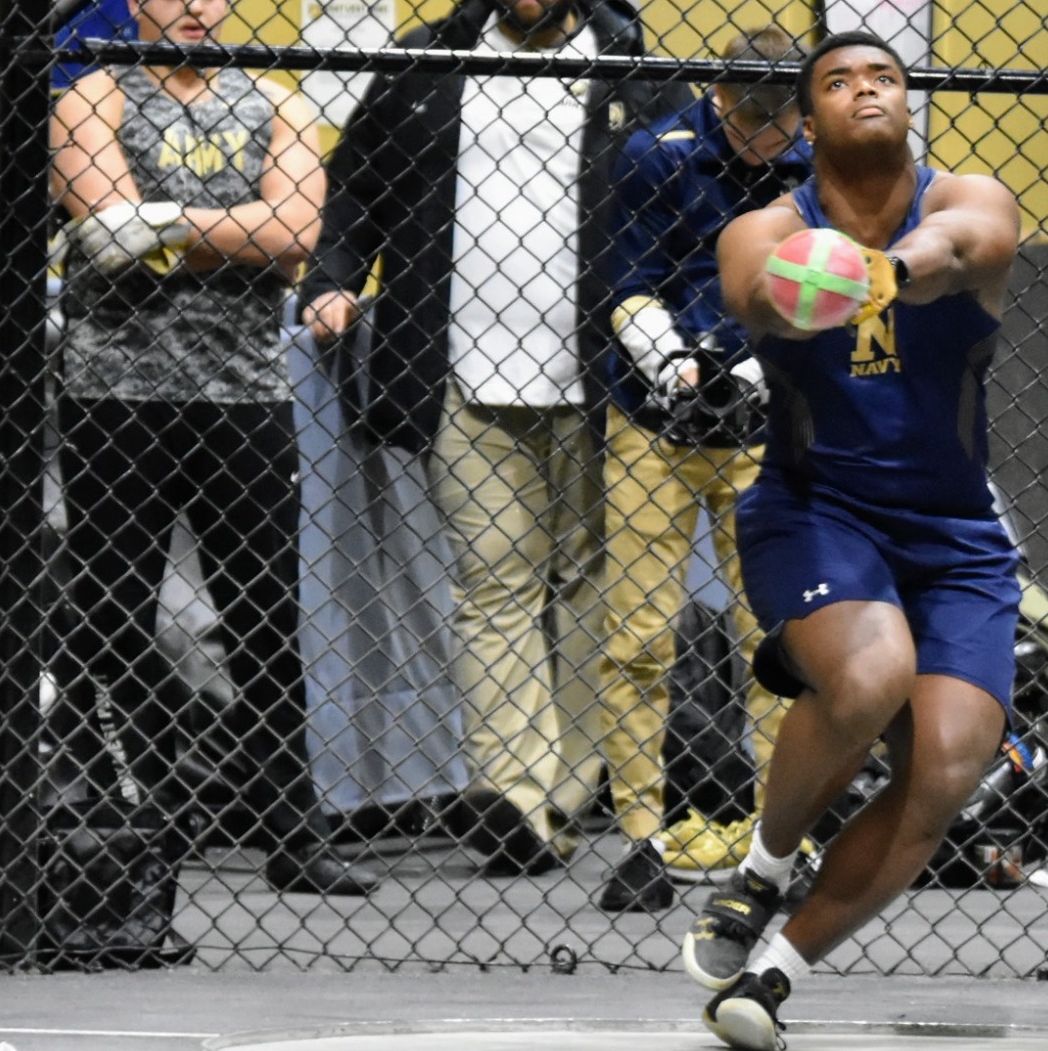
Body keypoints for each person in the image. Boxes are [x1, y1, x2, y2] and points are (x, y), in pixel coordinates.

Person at [676, 31, 1022, 1051]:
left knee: (950, 763)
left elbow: (965, 249)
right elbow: (752, 290)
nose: (864, 89)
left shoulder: (968, 200)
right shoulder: (767, 225)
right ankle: (761, 870)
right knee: (871, 679)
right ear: (804, 116)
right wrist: (805, 280)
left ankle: (771, 978)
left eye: (883, 77)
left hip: (956, 534)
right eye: (838, 81)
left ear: (907, 102)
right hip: (815, 507)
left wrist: (881, 270)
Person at [299, 0, 686, 873]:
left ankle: (565, 793)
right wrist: (333, 276)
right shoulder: (427, 63)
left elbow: (682, 204)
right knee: (492, 581)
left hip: (600, 374)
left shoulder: (636, 71)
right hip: (458, 368)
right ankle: (516, 801)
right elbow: (357, 183)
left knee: (591, 577)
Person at [49, 0, 375, 896]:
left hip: (244, 396)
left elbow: (296, 236)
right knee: (112, 609)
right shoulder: (92, 97)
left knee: (266, 615)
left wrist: (161, 226)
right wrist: (230, 227)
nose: (195, 6)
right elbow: (104, 233)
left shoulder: (278, 102)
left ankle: (292, 833)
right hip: (115, 393)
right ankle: (116, 816)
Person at [591, 25, 812, 913]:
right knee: (637, 632)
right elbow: (628, 279)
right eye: (751, 120)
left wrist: (760, 367)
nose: (767, 139)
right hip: (656, 416)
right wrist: (672, 363)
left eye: (781, 121)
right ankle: (641, 834)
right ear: (719, 101)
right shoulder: (659, 154)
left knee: (781, 636)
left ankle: (777, 837)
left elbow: (835, 285)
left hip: (775, 413)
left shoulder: (820, 166)